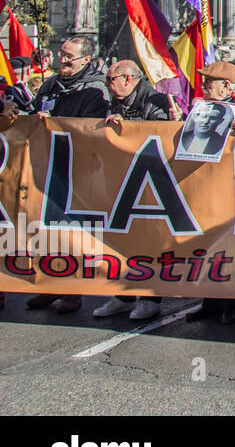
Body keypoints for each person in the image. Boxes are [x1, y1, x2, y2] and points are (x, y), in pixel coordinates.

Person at [12, 35, 111, 315]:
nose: (62, 60)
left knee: (71, 232)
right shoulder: (51, 83)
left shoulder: (96, 90)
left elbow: (90, 130)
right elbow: (34, 111)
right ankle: (50, 283)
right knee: (46, 230)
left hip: (78, 171)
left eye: (69, 57)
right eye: (62, 55)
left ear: (86, 60)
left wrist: (53, 124)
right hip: (47, 168)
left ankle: (72, 291)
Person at [94, 60, 182, 321]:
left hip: (153, 185)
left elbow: (157, 134)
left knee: (152, 243)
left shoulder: (155, 101)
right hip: (123, 181)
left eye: (111, 80)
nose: (107, 85)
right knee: (124, 242)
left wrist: (128, 128)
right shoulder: (112, 101)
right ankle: (123, 296)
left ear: (128, 79)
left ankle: (150, 298)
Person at [183, 62, 235, 324]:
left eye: (209, 82)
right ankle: (210, 302)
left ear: (227, 87)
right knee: (209, 244)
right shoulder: (199, 108)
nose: (204, 86)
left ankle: (233, 304)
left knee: (234, 247)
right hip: (208, 185)